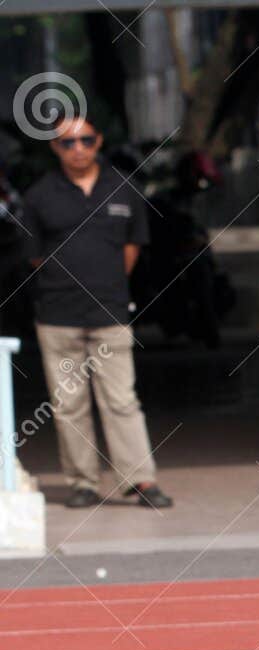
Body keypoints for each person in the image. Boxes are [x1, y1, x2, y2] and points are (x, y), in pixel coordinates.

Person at [20, 115, 172, 510]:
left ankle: (140, 480)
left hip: (111, 313)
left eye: (85, 139)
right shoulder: (39, 196)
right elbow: (35, 256)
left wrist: (104, 283)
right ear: (55, 148)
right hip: (58, 315)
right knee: (70, 405)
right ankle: (83, 483)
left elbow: (132, 248)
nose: (78, 149)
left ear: (99, 139)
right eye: (67, 143)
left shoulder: (124, 188)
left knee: (121, 400)